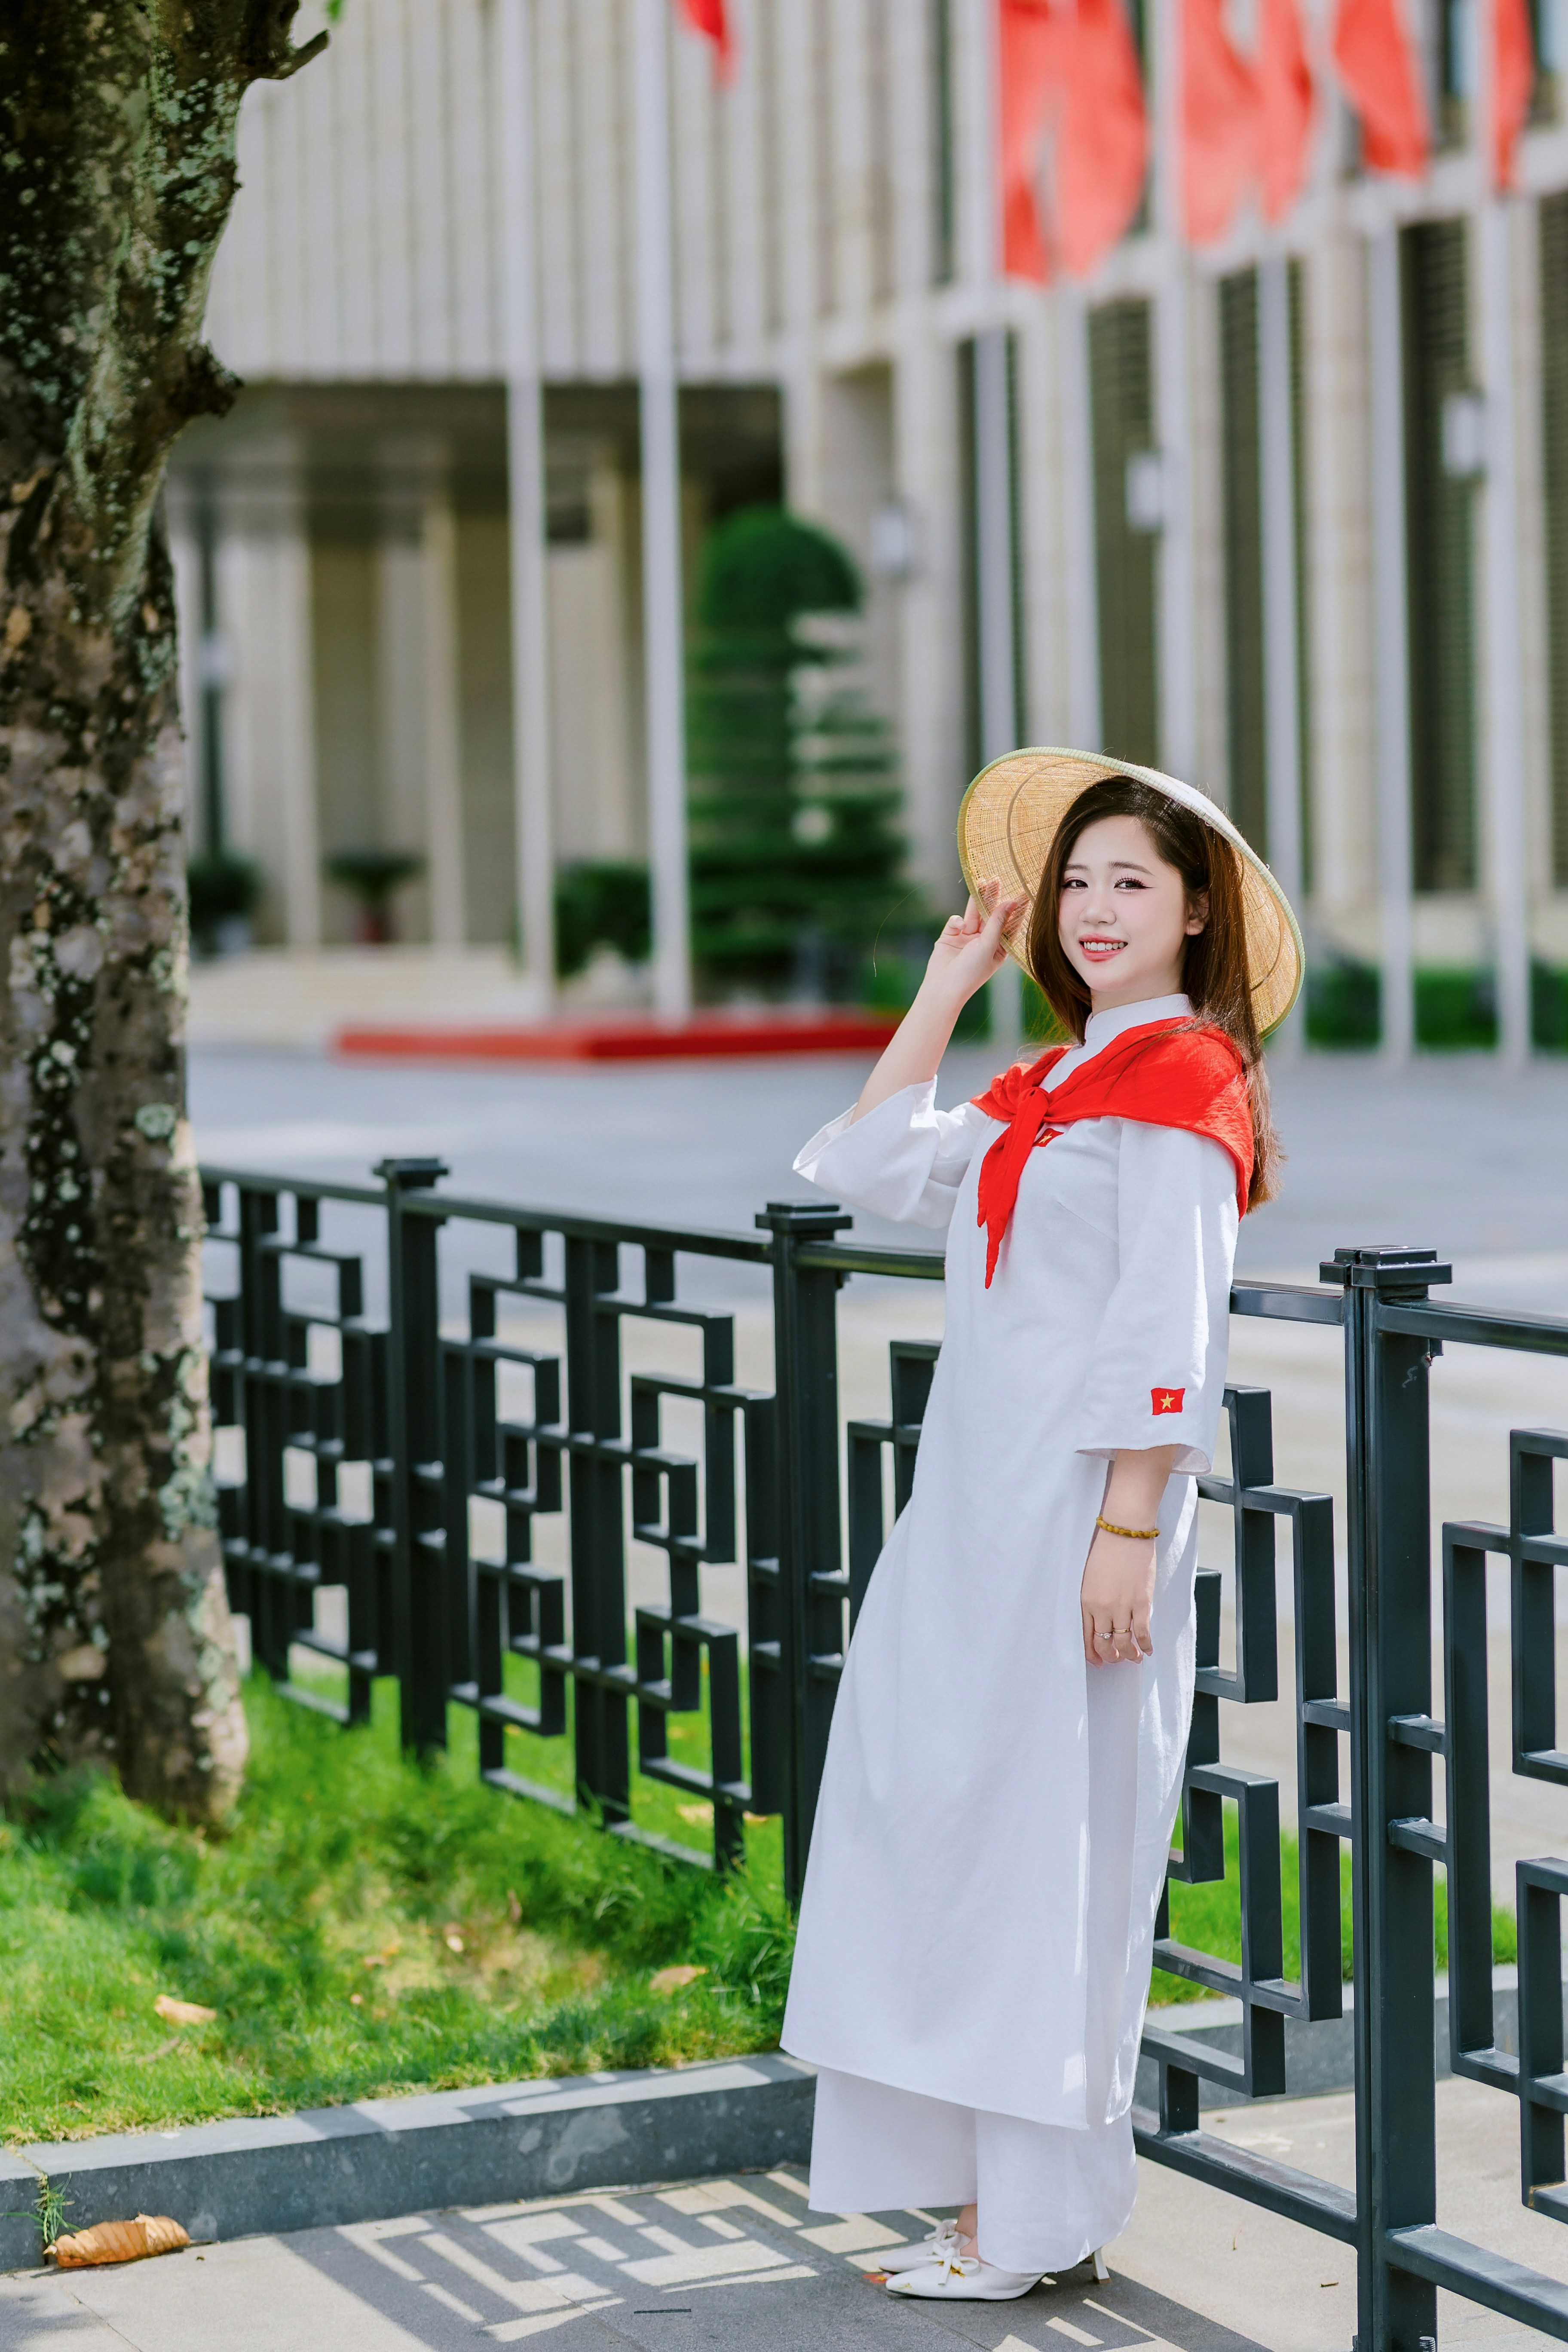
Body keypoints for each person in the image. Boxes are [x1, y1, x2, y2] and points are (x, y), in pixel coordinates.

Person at [778, 750, 1302, 2301]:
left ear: (1195, 908)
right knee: (943, 1815)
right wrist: (946, 983)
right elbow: (872, 1166)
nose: (1092, 909)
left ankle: (1034, 2218)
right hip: (972, 1512)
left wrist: (1129, 1530)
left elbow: (1169, 1318)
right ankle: (979, 2192)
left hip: (1082, 1511)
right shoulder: (1050, 1086)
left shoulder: (1188, 1078)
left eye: (1129, 881)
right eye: (1075, 883)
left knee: (1051, 1843)